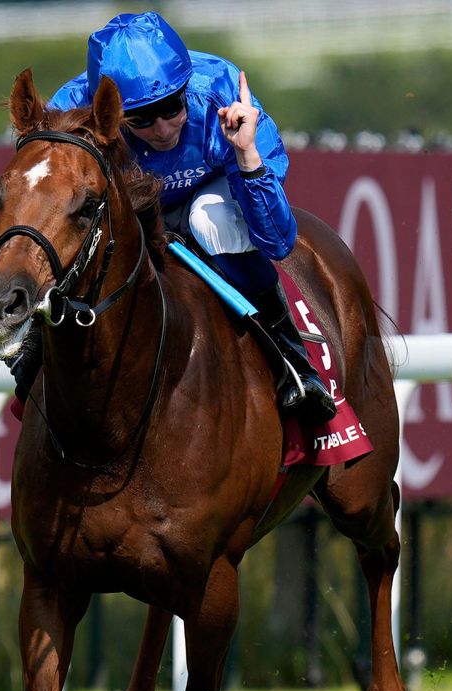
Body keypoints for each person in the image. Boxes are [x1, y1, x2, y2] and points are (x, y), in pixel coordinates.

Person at [23, 11, 336, 424]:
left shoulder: (222, 92)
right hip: (130, 212)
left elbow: (278, 240)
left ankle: (292, 357)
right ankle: (36, 343)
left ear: (186, 88)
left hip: (208, 194)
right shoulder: (72, 112)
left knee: (209, 220)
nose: (163, 128)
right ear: (113, 113)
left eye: (172, 107)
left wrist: (245, 154)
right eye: (141, 118)